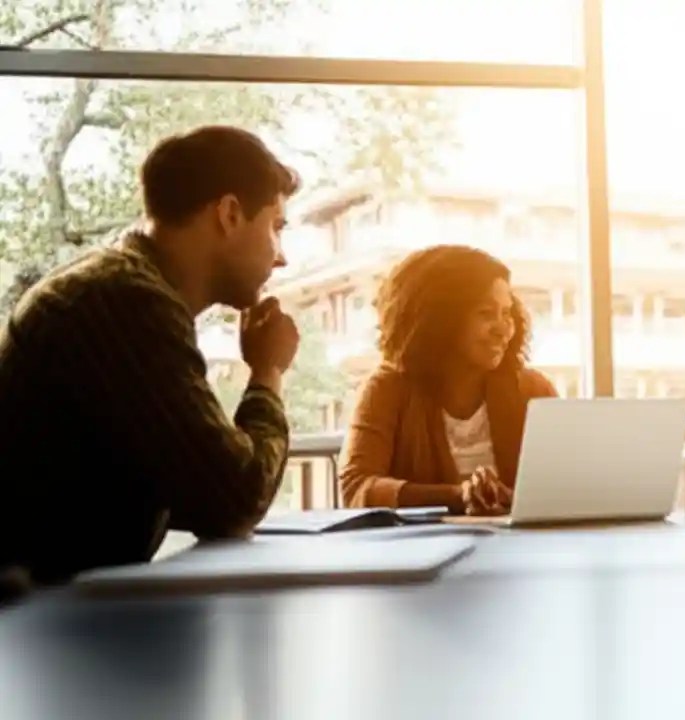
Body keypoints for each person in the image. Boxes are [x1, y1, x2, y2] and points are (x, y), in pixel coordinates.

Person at [0, 125, 301, 586]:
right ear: (230, 213)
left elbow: (193, 486)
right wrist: (268, 371)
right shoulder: (126, 301)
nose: (281, 258)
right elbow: (234, 499)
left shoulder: (120, 288)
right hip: (33, 627)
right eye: (276, 227)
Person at [340, 245, 557, 515]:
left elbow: (563, 486)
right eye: (486, 314)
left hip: (518, 551)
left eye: (506, 313)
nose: (503, 329)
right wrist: (457, 496)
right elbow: (358, 488)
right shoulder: (386, 389)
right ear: (442, 320)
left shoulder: (533, 390)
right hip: (420, 554)